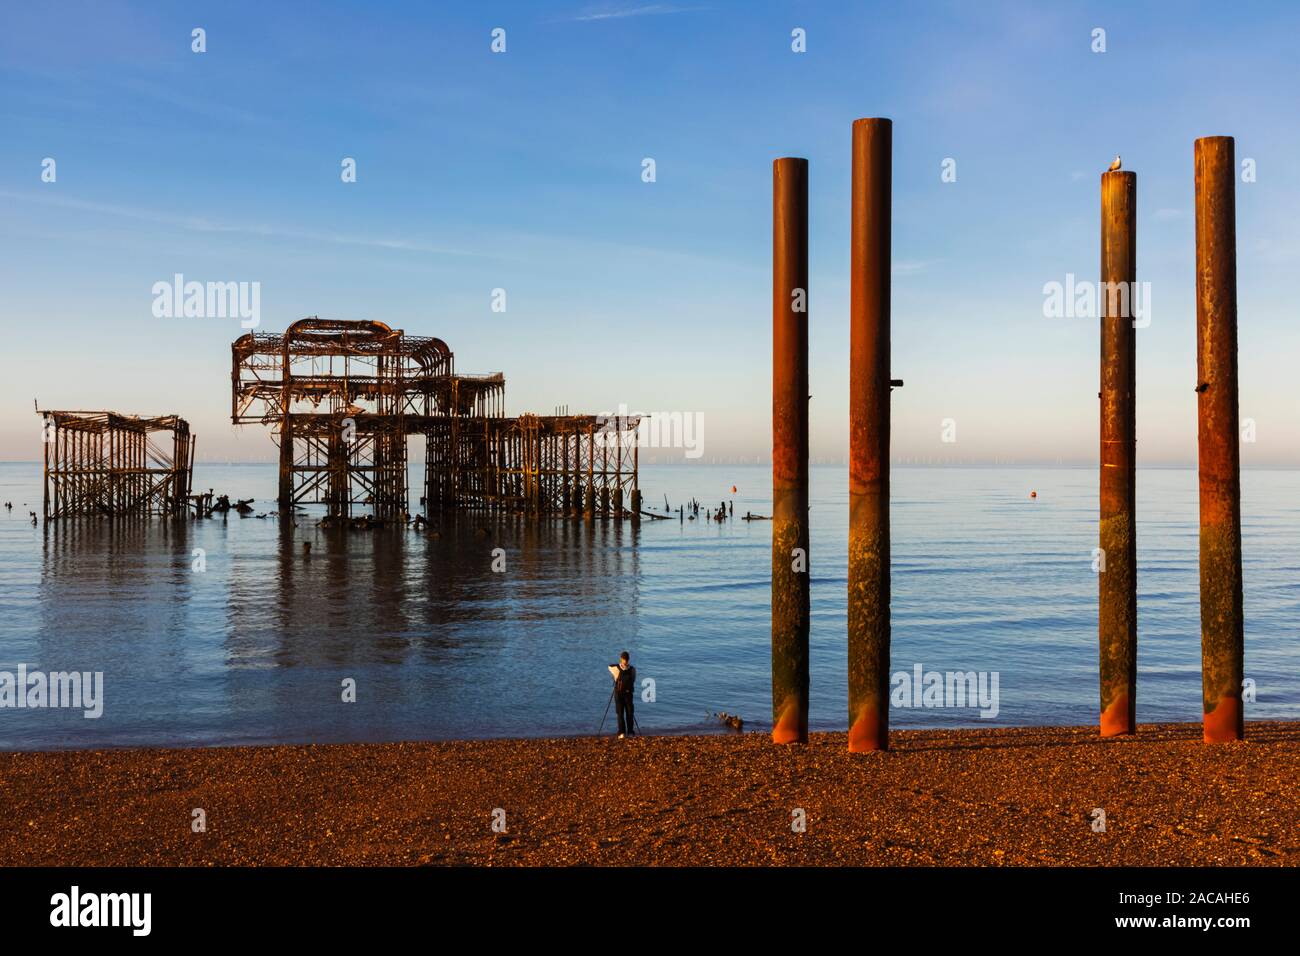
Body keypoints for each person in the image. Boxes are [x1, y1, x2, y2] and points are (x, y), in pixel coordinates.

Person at [607, 651, 637, 739]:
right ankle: (630, 732)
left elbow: (609, 666)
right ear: (628, 659)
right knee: (630, 713)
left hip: (618, 694)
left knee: (620, 713)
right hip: (628, 694)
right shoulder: (632, 669)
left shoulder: (616, 669)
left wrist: (618, 664)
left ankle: (621, 733)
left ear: (621, 659)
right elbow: (633, 680)